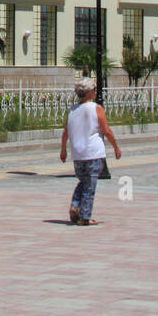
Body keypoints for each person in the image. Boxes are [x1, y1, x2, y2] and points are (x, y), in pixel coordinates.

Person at [59, 77, 121, 226]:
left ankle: (75, 205)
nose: (95, 92)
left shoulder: (73, 110)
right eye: (94, 89)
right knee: (90, 186)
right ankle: (85, 217)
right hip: (93, 153)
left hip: (78, 154)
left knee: (84, 181)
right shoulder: (96, 108)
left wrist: (63, 150)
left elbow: (66, 131)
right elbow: (106, 130)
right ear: (88, 92)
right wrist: (116, 147)